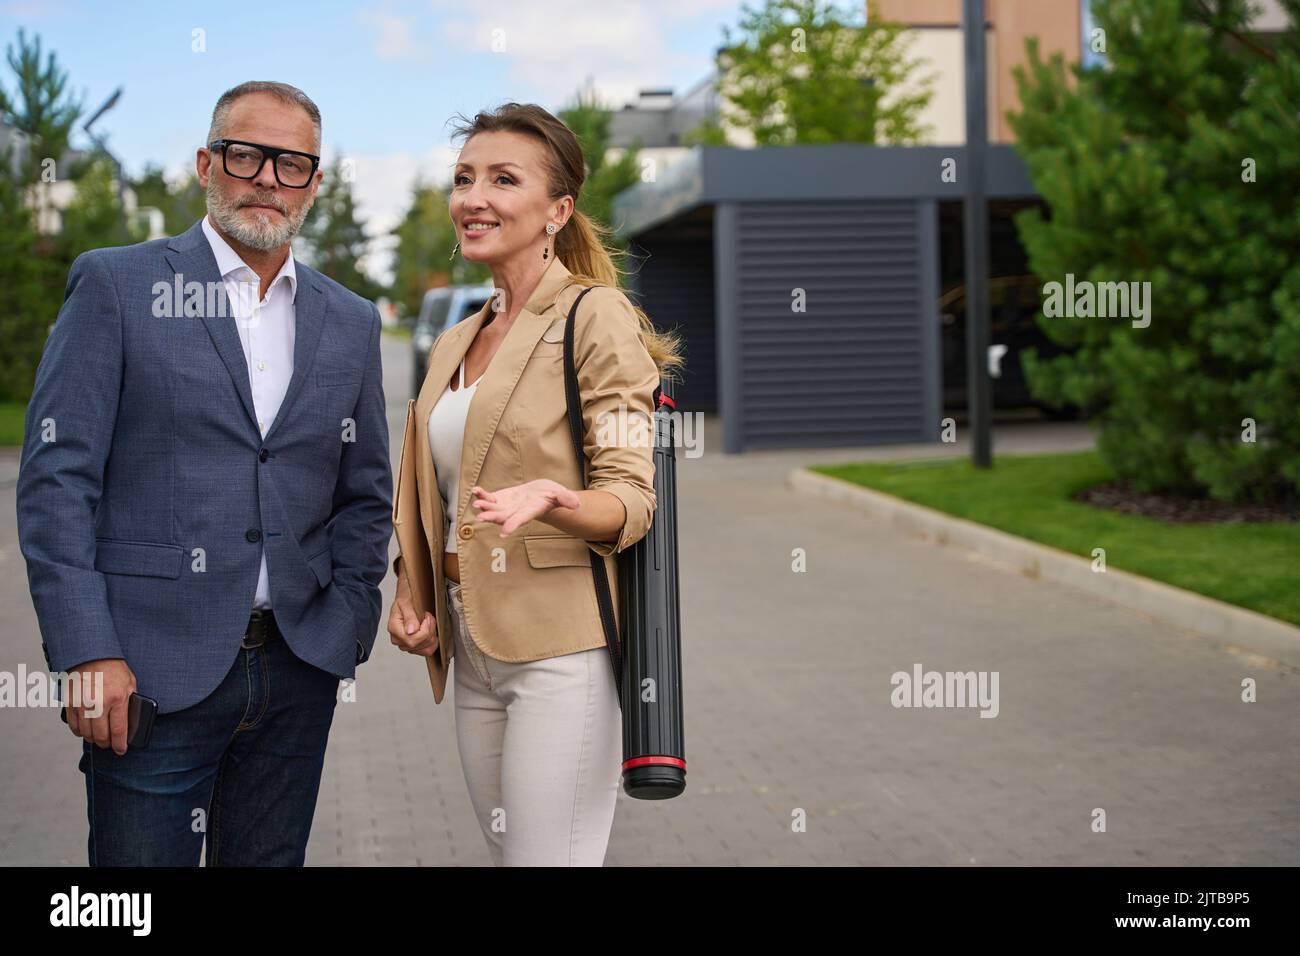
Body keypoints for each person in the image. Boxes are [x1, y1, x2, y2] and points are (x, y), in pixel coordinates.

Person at [16, 80, 392, 866]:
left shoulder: (350, 319)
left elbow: (365, 492)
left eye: (293, 164)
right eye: (245, 154)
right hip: (147, 675)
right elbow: (58, 480)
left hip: (297, 673)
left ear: (315, 183)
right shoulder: (116, 285)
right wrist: (86, 651)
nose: (267, 178)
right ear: (205, 163)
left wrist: (347, 622)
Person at [388, 102, 683, 866]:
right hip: (472, 643)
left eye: (502, 179)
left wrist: (557, 499)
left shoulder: (596, 316)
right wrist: (411, 588)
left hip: (561, 648)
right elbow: (430, 490)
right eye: (464, 178)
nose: (473, 197)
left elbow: (633, 497)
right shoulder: (457, 337)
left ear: (558, 210)